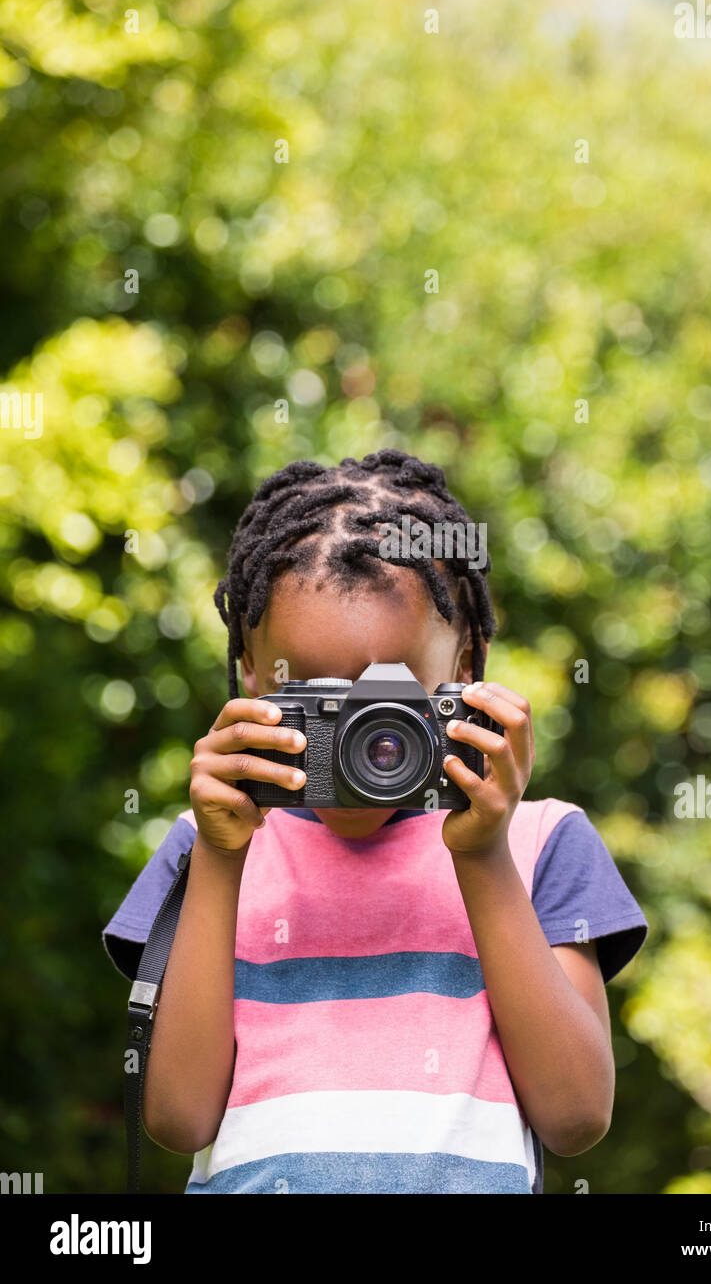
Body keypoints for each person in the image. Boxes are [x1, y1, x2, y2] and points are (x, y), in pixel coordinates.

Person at [102, 448, 648, 1193]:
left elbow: (577, 1114)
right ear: (251, 673)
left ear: (465, 669)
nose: (361, 740)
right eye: (316, 698)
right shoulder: (209, 846)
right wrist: (223, 859)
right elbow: (178, 1120)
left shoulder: (538, 840)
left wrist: (484, 856)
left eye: (386, 702)